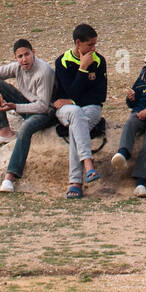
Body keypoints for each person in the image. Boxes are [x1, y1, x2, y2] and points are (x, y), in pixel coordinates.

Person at [0, 39, 55, 193]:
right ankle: (4, 132)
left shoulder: (44, 71)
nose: (24, 59)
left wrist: (15, 107)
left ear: (33, 53)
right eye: (20, 56)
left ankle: (10, 178)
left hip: (45, 112)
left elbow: (42, 106)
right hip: (27, 104)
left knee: (25, 128)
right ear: (15, 58)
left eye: (27, 54)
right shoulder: (17, 67)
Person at [53, 24, 107, 200]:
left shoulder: (99, 61)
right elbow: (69, 92)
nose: (93, 49)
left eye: (94, 44)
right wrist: (83, 69)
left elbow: (100, 95)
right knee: (75, 113)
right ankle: (88, 164)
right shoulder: (63, 61)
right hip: (66, 110)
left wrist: (73, 100)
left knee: (76, 123)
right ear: (78, 43)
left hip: (91, 108)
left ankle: (75, 182)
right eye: (90, 45)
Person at [110, 44, 146, 197]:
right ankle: (123, 153)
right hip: (140, 113)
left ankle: (141, 182)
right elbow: (135, 98)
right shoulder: (144, 75)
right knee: (130, 123)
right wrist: (131, 98)